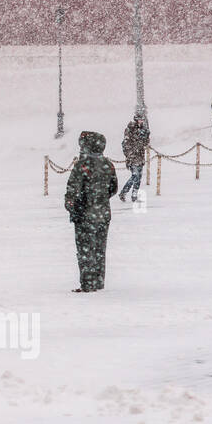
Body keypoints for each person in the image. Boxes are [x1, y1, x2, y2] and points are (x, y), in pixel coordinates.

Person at [64, 131, 118, 293]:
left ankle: (88, 283)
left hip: (85, 214)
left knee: (85, 250)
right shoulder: (108, 164)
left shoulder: (82, 165)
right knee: (100, 250)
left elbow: (72, 191)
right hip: (103, 214)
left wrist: (73, 206)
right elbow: (113, 188)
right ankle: (99, 281)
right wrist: (100, 199)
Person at [118, 111, 149, 202]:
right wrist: (129, 155)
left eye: (142, 120)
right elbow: (125, 144)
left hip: (140, 156)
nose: (141, 121)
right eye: (139, 120)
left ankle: (133, 194)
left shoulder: (143, 129)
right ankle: (126, 193)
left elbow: (145, 144)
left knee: (138, 177)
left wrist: (146, 136)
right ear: (136, 120)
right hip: (132, 156)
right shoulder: (130, 129)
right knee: (135, 175)